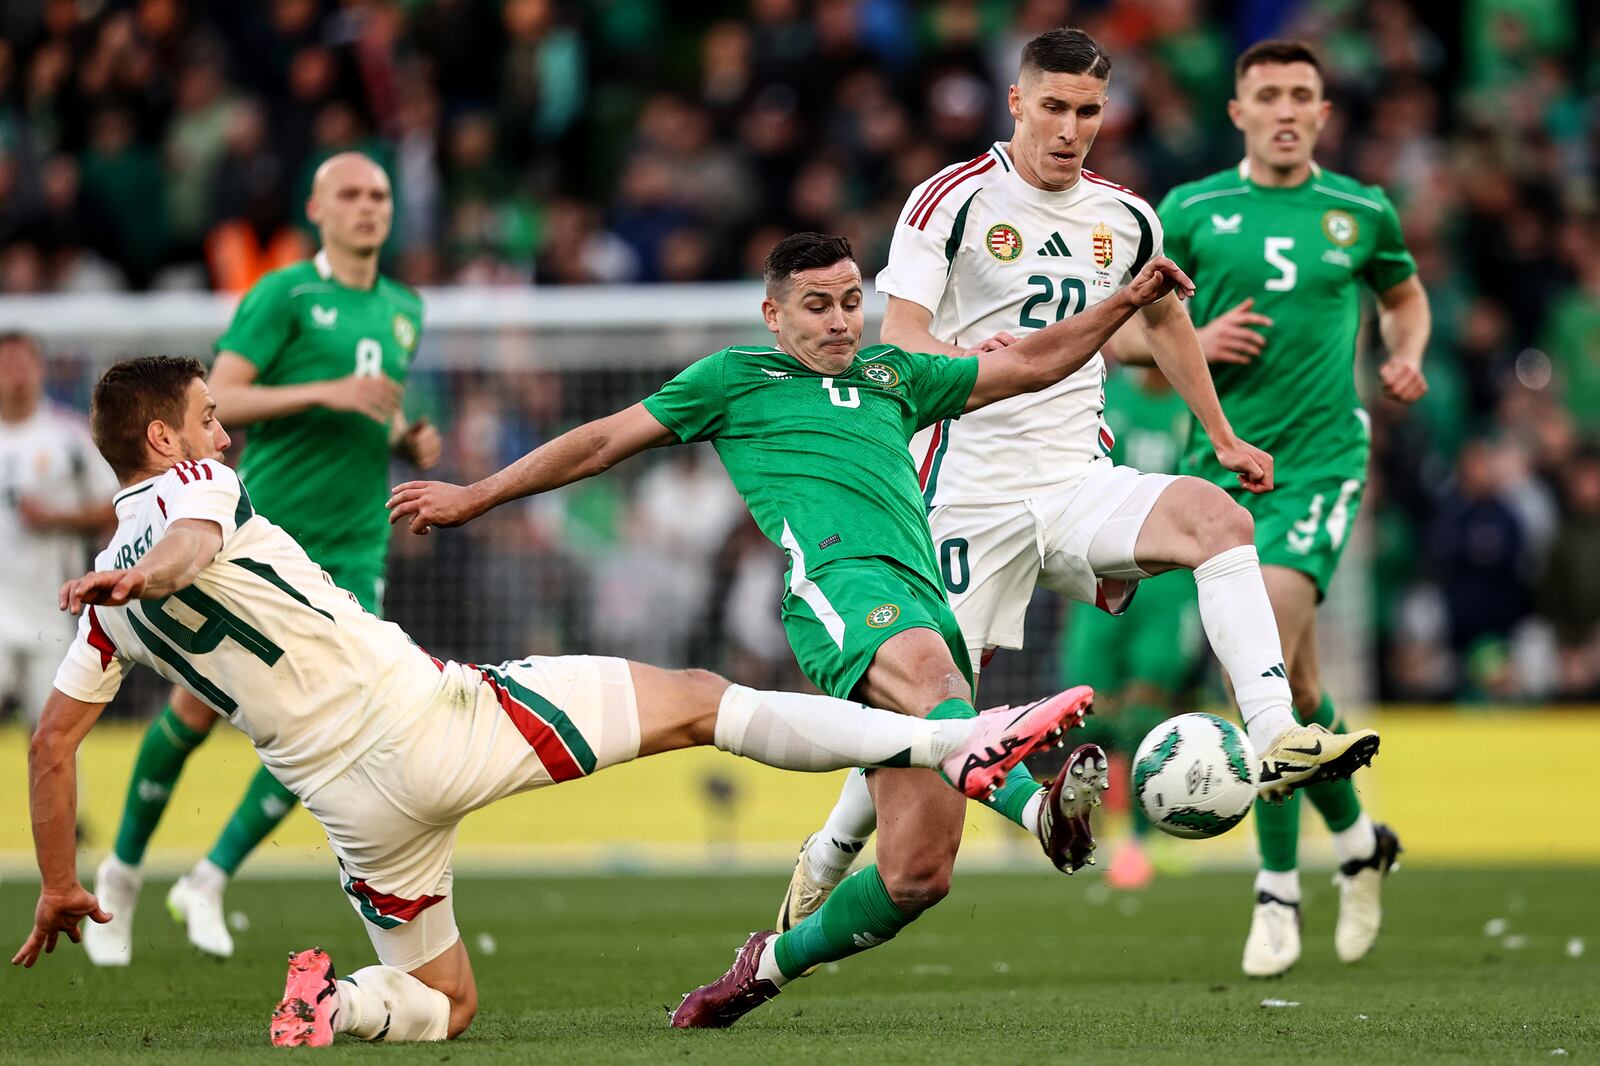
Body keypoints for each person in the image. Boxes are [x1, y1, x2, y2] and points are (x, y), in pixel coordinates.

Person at [387, 231, 1366, 1029]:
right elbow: (603, 440)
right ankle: (1036, 812)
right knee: (939, 670)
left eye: (851, 298)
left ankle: (765, 963)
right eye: (816, 304)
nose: (839, 319)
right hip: (840, 599)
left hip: (923, 607)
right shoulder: (735, 376)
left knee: (918, 872)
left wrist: (1125, 299)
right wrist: (476, 494)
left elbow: (1026, 362)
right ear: (773, 313)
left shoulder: (897, 372)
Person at [12, 356, 1081, 1050]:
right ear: (164, 441)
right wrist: (149, 572)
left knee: (445, 1007)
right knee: (702, 702)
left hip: (353, 816)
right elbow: (190, 545)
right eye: (209, 419)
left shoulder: (102, 604)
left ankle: (332, 1002)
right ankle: (958, 739)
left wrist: (60, 882)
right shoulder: (188, 496)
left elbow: (53, 745)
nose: (225, 435)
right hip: (433, 724)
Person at [773, 27, 1378, 935]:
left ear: (1106, 113)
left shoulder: (1126, 218)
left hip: (1074, 483)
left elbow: (1166, 326)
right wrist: (973, 358)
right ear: (1016, 103)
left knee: (1217, 521)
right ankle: (826, 853)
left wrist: (1223, 434)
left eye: (1087, 110)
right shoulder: (954, 200)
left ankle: (1272, 733)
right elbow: (900, 341)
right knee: (937, 722)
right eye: (1052, 106)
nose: (1068, 128)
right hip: (965, 495)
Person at [1112, 40, 1430, 976]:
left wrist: (1404, 351)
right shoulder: (1193, 210)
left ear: (1324, 113)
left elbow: (1406, 300)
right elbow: (1125, 333)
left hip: (1321, 465)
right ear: (1238, 112)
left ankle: (1277, 891)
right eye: (1268, 95)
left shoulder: (1360, 210)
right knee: (1295, 683)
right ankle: (1362, 842)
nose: (1286, 109)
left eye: (1303, 95)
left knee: (1259, 681)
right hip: (1226, 474)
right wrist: (1190, 337)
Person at [87, 152, 443, 965]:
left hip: (355, 543)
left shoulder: (403, 307)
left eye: (380, 194)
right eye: (349, 194)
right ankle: (125, 872)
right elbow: (222, 398)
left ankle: (209, 877)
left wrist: (407, 436)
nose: (368, 207)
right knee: (194, 708)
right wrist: (323, 394)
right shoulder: (285, 294)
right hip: (262, 531)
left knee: (332, 715)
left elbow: (374, 408)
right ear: (316, 208)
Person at [1056, 365, 1202, 890]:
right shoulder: (1105, 394)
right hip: (1100, 573)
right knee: (1089, 712)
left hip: (1171, 585)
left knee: (1145, 711)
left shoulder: (1196, 404)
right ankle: (1086, 826)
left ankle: (1142, 839)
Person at [0, 332, 118, 728]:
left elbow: (115, 506)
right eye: (6, 367)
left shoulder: (69, 438)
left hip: (50, 613)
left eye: (23, 365)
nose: (15, 376)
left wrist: (57, 518)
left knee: (53, 738)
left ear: (39, 370)